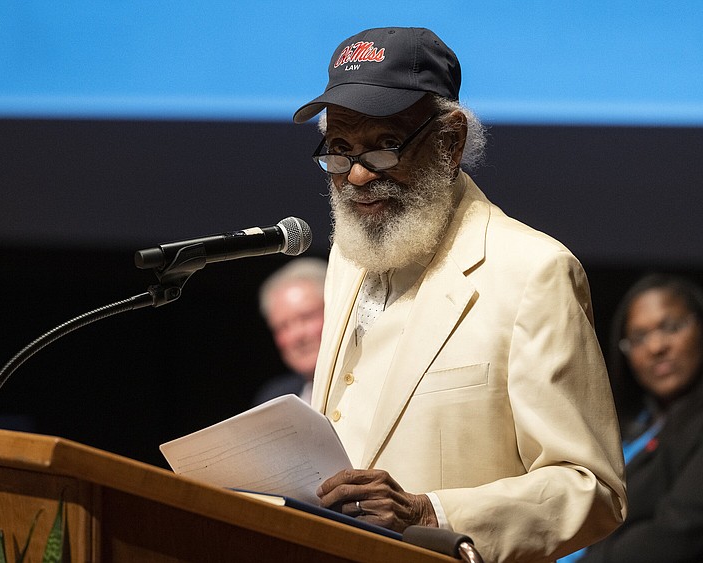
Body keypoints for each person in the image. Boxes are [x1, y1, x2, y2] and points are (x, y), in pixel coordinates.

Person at [292, 26, 626, 562]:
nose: (355, 174)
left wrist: (432, 514)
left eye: (383, 145)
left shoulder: (533, 272)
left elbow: (592, 489)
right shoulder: (346, 258)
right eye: (339, 148)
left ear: (450, 142)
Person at [575, 274, 703, 562]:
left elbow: (678, 531)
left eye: (671, 327)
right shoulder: (628, 422)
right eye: (639, 337)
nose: (657, 347)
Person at [252, 257, 327, 406]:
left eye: (306, 317)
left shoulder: (374, 383)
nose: (296, 336)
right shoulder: (272, 401)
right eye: (283, 326)